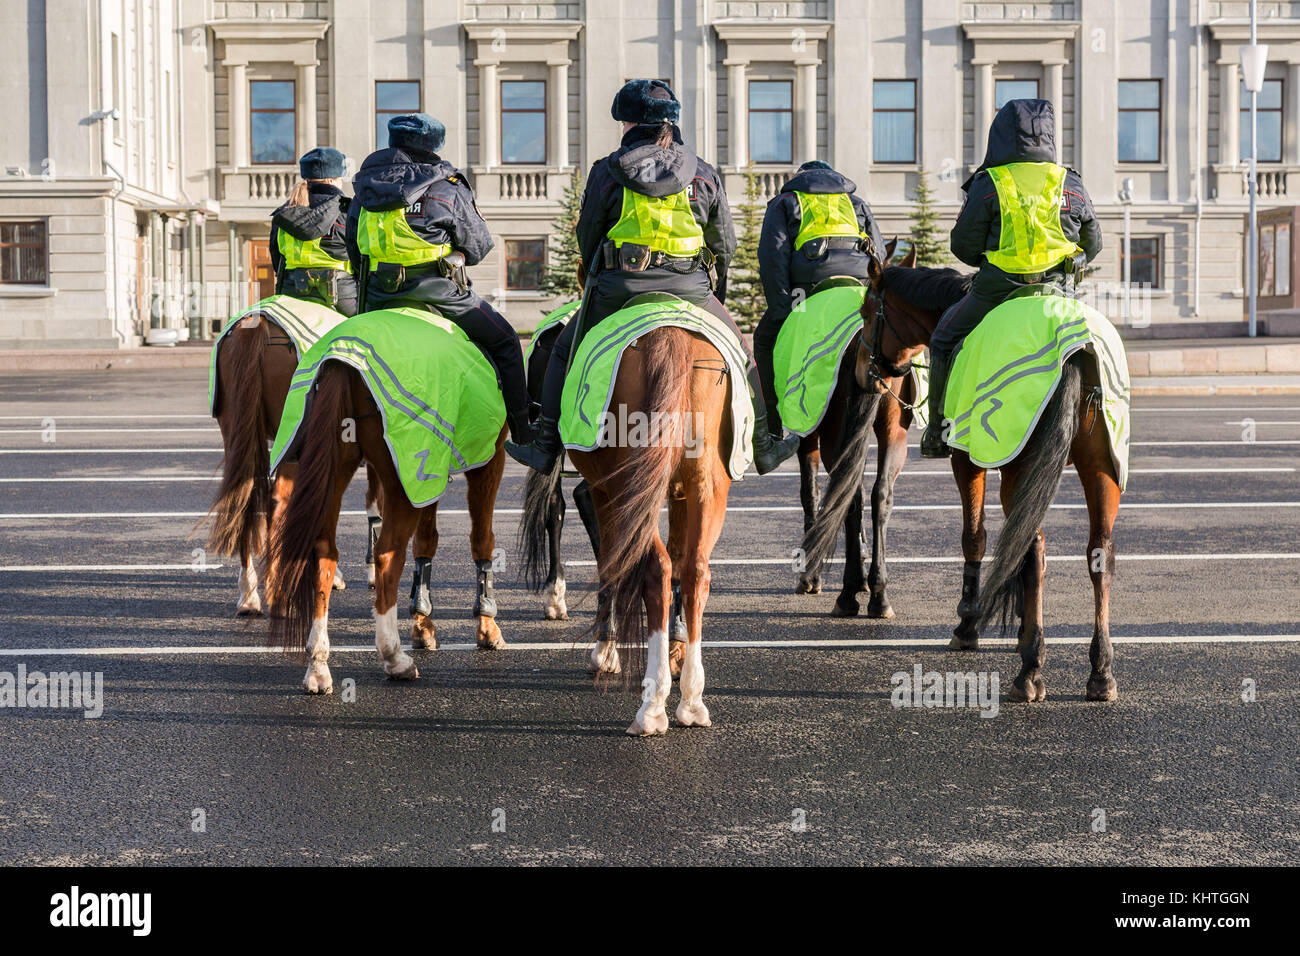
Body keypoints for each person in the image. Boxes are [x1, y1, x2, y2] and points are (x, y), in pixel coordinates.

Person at [506, 79, 799, 475]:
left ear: (628, 124)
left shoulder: (607, 172)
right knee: (743, 354)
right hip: (690, 288)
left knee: (563, 351)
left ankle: (545, 444)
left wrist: (597, 272)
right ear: (671, 125)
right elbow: (724, 244)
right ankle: (763, 445)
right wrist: (715, 293)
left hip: (619, 288)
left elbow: (588, 235)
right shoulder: (705, 174)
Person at [921, 98, 1102, 459]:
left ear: (1001, 135)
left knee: (942, 339)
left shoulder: (990, 183)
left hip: (997, 290)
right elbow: (1094, 243)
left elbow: (962, 247)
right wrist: (1074, 261)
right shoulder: (1070, 182)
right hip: (1059, 290)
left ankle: (938, 432)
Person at [345, 113, 534, 446]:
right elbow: (477, 248)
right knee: (505, 340)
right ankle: (523, 431)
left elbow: (353, 250)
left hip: (377, 297)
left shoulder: (364, 191)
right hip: (439, 295)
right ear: (434, 146)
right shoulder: (447, 187)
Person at [753, 160, 884, 434]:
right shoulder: (855, 202)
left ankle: (771, 427)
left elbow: (772, 258)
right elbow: (879, 253)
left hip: (807, 288)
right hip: (857, 287)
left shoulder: (786, 201)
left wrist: (783, 310)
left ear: (801, 178)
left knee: (764, 340)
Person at [269, 147, 358, 316]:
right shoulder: (348, 211)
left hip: (292, 292)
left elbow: (277, 260)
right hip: (341, 296)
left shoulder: (284, 214)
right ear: (332, 180)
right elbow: (359, 257)